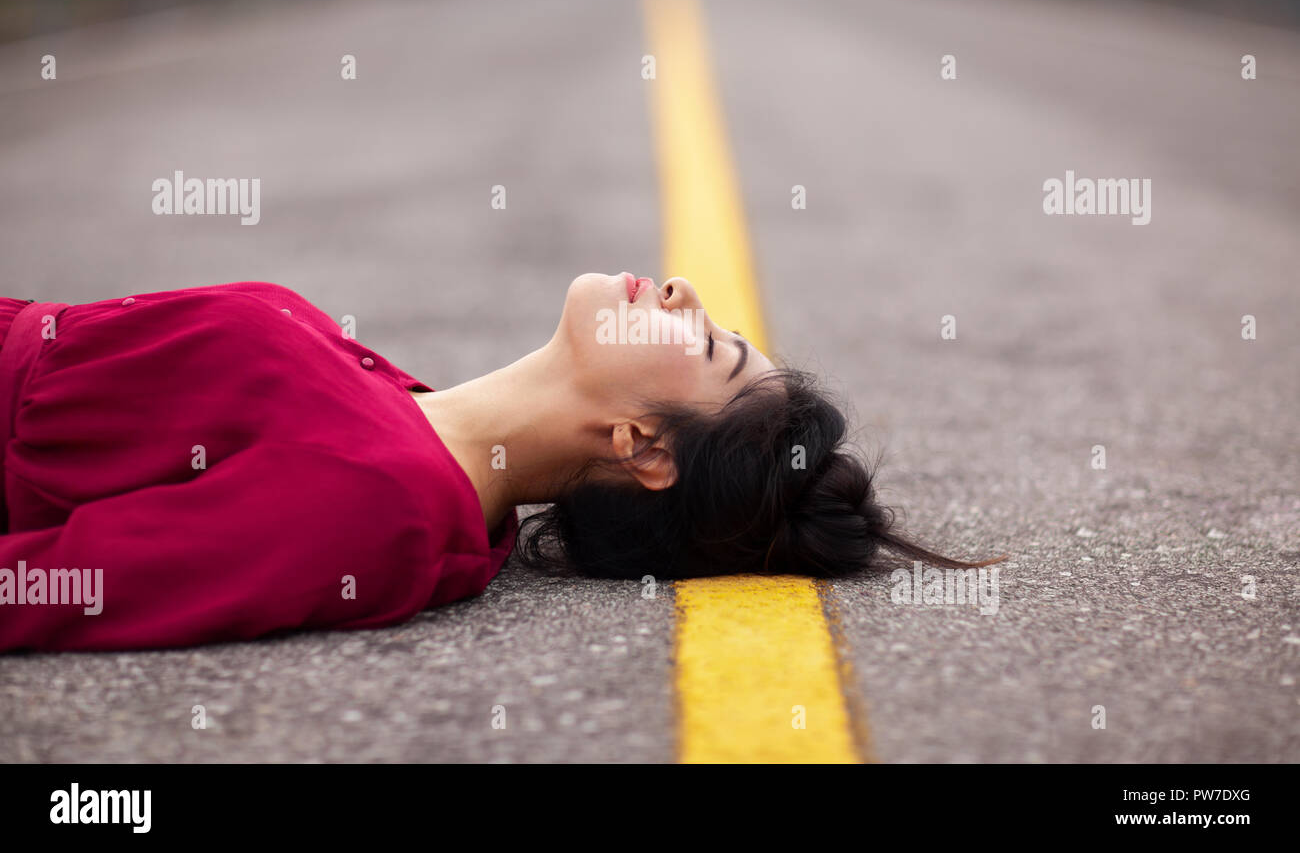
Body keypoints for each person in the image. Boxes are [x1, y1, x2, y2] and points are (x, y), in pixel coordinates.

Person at [0, 275, 999, 652]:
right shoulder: (409, 415)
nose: (688, 290)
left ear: (642, 445)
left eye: (708, 348)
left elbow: (66, 585)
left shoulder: (380, 501)